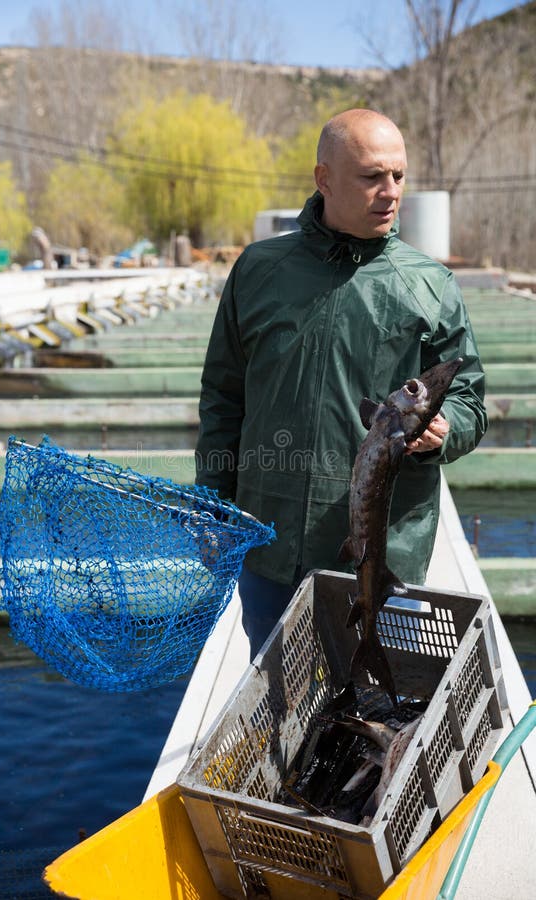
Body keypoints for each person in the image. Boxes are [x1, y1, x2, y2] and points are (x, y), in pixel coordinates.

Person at [195, 108, 487, 659]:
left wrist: (446, 432)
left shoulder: (430, 285)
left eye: (399, 176)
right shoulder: (258, 270)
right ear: (323, 178)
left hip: (383, 559)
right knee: (281, 700)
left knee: (381, 704)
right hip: (268, 547)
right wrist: (213, 503)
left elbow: (469, 397)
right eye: (372, 176)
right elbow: (223, 400)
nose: (390, 191)